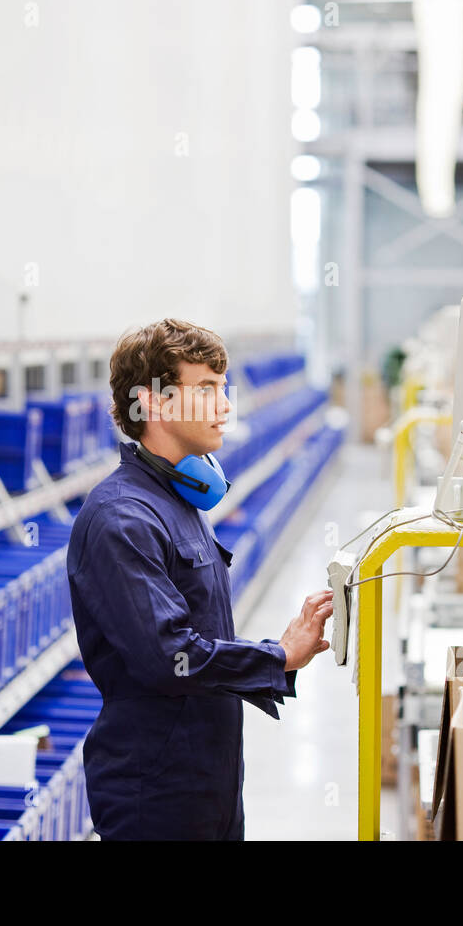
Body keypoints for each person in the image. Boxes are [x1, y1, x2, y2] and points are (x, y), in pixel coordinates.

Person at [66, 318, 334, 840]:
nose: (225, 405)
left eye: (223, 388)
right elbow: (171, 656)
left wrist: (276, 657)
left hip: (208, 776)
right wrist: (275, 657)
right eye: (207, 389)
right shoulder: (122, 519)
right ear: (157, 402)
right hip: (156, 791)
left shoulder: (178, 500)